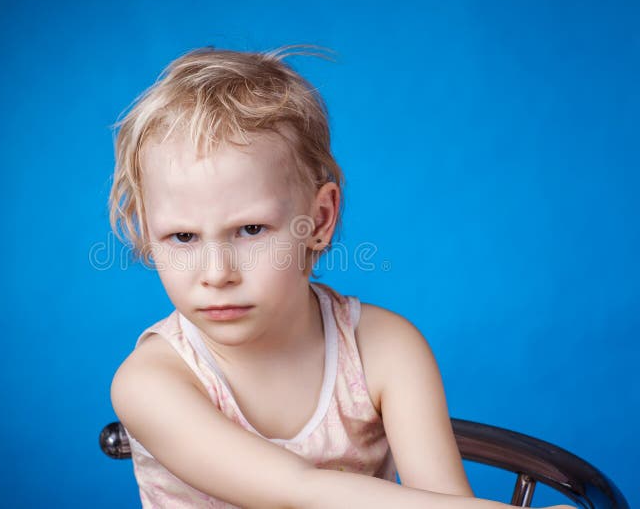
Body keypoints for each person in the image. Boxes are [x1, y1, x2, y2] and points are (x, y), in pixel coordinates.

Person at [108, 47, 574, 509]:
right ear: (147, 232)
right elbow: (297, 489)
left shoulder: (382, 350)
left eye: (251, 229)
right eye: (182, 237)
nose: (217, 274)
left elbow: (444, 502)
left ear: (320, 218)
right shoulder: (149, 382)